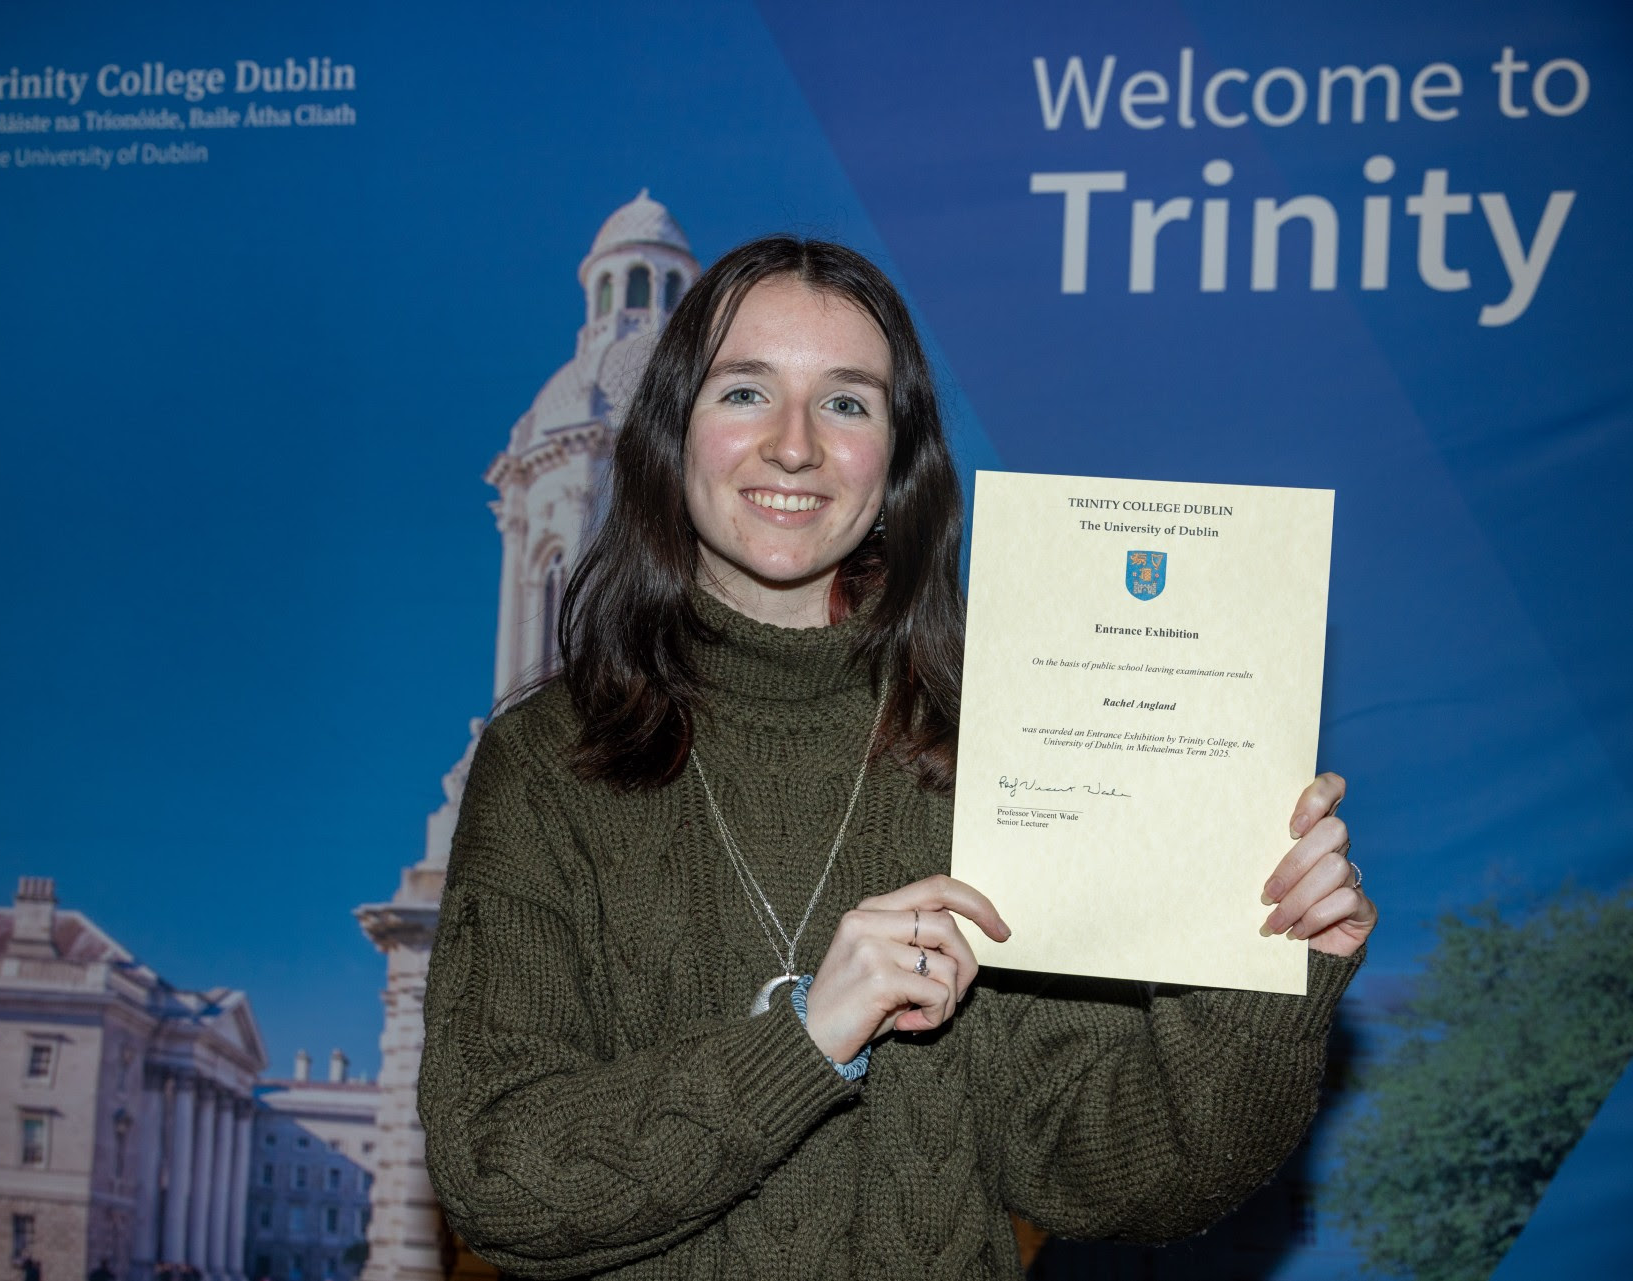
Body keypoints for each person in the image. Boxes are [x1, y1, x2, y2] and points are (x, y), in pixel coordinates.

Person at [417, 235, 1375, 1280]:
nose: (794, 446)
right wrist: (806, 1037)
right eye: (745, 392)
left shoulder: (1001, 751)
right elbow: (497, 1178)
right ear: (671, 432)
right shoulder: (545, 764)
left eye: (846, 402)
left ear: (898, 459)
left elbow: (1112, 1171)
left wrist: (1268, 965)